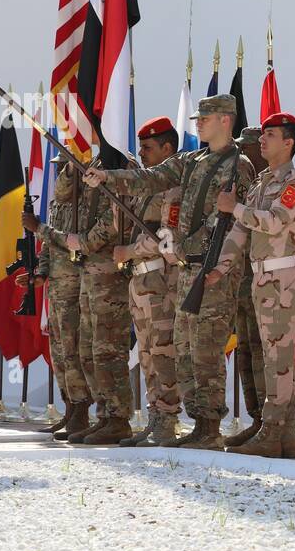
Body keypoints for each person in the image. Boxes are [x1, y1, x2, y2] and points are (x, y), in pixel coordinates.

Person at [83, 95, 253, 450]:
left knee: (206, 348)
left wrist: (193, 249)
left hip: (214, 267)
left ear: (225, 120)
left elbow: (226, 220)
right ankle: (195, 422)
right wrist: (108, 177)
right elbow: (150, 178)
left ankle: (209, 426)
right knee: (187, 349)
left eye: (204, 118)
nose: (198, 124)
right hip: (189, 266)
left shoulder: (238, 164)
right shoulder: (192, 160)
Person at [215, 111, 295, 458]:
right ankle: (285, 435)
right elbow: (241, 234)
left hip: (282, 278)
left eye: (270, 135)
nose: (262, 140)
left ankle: (274, 432)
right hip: (262, 277)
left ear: (288, 143)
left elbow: (273, 223)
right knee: (275, 358)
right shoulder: (261, 183)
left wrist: (235, 208)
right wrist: (219, 268)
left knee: (278, 360)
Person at [115, 116, 182, 447]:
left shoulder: (171, 188)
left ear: (167, 148)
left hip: (159, 279)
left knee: (162, 350)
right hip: (140, 281)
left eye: (148, 148)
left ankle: (167, 421)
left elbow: (167, 237)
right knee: (146, 353)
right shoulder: (147, 189)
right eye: (140, 147)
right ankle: (155, 416)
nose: (141, 154)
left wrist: (129, 249)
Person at [26, 155, 93, 439]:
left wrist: (38, 227)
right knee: (60, 354)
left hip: (75, 287)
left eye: (64, 169)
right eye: (57, 169)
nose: (60, 175)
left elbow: (73, 242)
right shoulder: (57, 204)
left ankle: (80, 412)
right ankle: (69, 408)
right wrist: (39, 274)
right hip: (57, 288)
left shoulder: (85, 204)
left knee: (75, 351)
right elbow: (48, 249)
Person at [226, 125, 268, 448]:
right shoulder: (249, 188)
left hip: (263, 278)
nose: (242, 153)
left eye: (247, 147)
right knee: (244, 350)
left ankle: (268, 420)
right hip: (240, 280)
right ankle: (256, 418)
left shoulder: (270, 189)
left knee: (262, 350)